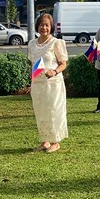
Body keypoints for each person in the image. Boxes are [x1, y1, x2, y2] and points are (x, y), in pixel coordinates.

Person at [28, 13, 69, 152]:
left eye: (46, 25)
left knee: (53, 111)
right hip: (37, 85)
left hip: (53, 84)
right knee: (40, 112)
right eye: (41, 24)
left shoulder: (56, 43)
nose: (43, 27)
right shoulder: (32, 44)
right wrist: (31, 79)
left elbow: (63, 64)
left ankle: (55, 141)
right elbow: (33, 64)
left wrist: (54, 71)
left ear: (51, 27)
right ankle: (44, 140)